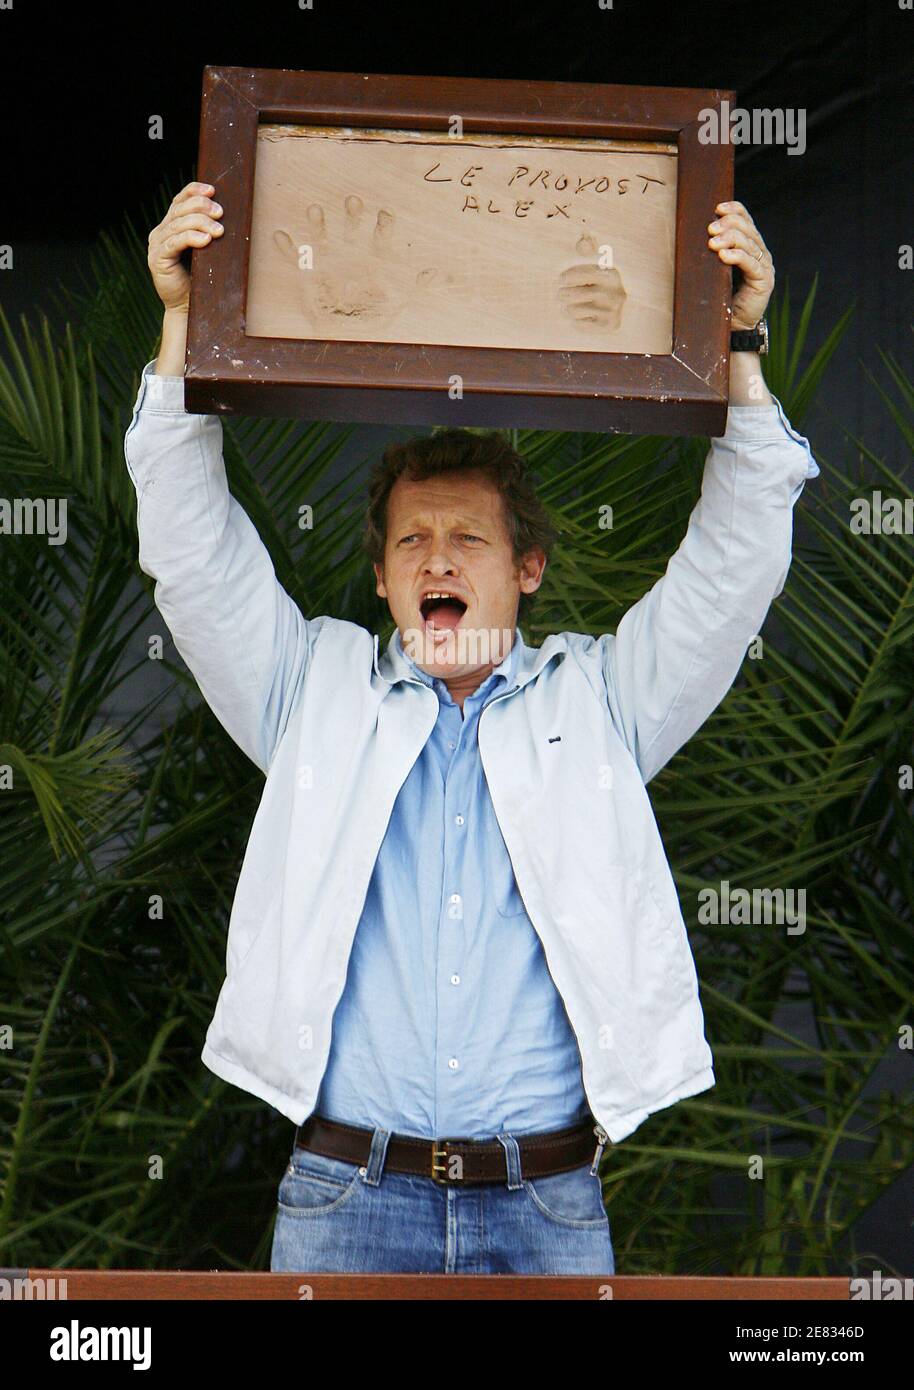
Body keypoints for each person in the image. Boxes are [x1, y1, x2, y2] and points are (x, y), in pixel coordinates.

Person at [125, 181, 818, 1276]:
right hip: (345, 1198)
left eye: (465, 539)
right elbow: (192, 553)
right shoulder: (311, 689)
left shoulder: (602, 702)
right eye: (410, 542)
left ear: (526, 568)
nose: (436, 559)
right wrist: (179, 320)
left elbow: (734, 565)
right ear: (382, 575)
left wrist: (738, 339)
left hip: (542, 1208)